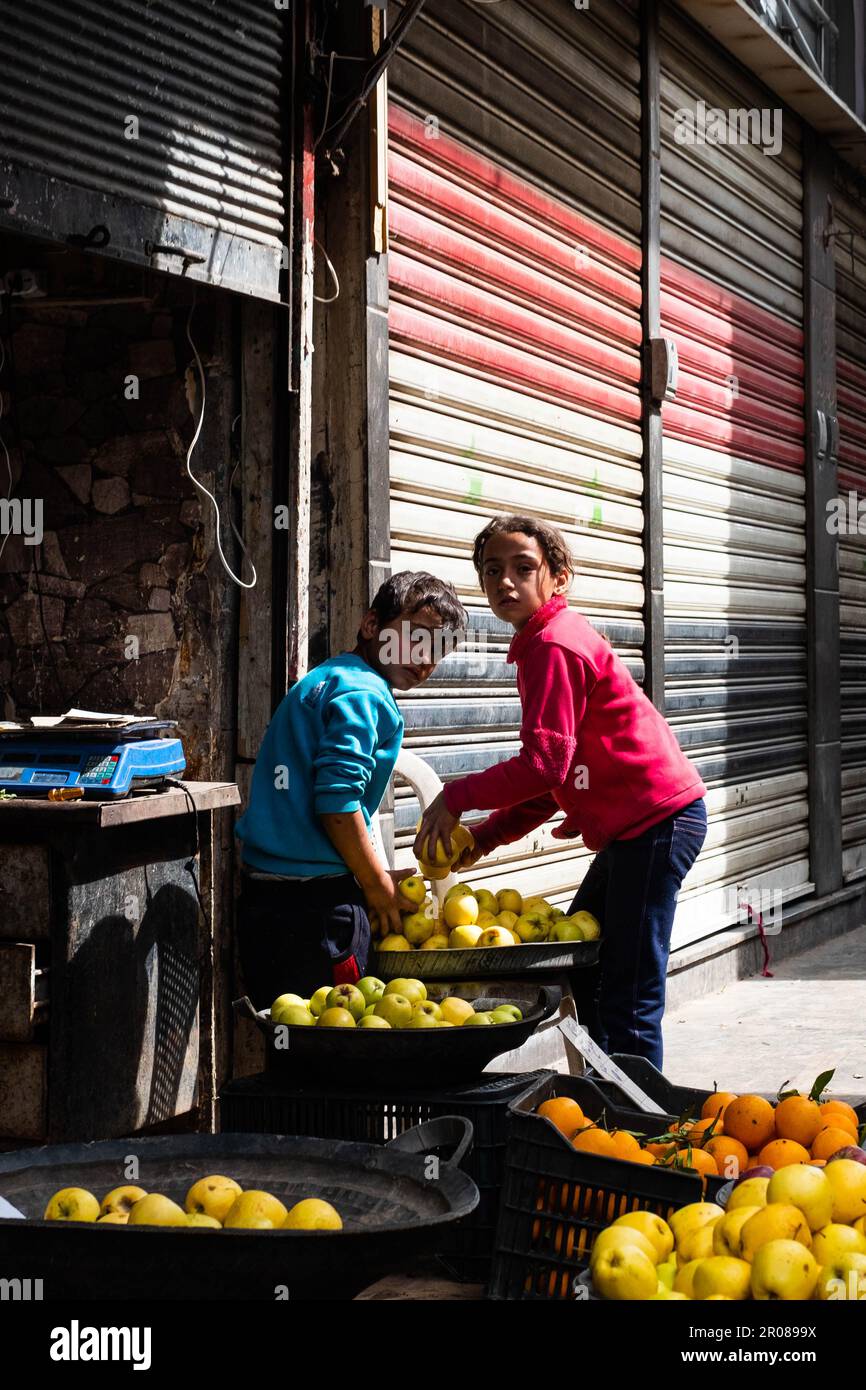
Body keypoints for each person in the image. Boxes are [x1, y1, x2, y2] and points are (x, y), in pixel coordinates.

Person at [414, 514, 707, 1069]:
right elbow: (562, 776)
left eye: (524, 568)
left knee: (628, 987)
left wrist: (455, 797)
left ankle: (641, 1129)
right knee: (588, 966)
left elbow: (545, 765)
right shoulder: (543, 643)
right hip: (639, 829)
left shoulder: (554, 644)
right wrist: (486, 837)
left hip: (657, 824)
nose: (506, 581)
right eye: (492, 571)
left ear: (558, 578)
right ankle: (610, 1098)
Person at [236, 571, 467, 1005]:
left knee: (289, 1033)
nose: (425, 660)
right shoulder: (366, 694)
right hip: (318, 911)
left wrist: (373, 874)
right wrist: (375, 884)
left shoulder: (328, 678)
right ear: (371, 626)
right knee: (338, 1038)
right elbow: (338, 803)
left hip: (265, 896)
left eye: (439, 651)